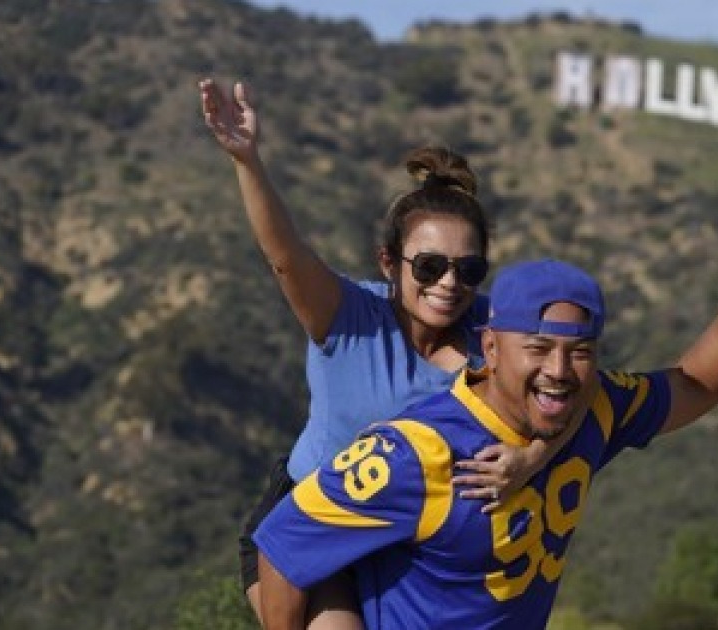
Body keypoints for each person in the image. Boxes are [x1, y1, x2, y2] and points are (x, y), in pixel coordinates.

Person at [254, 198, 718, 629]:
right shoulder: (417, 451)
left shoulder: (597, 405)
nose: (559, 370)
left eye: (579, 351)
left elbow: (694, 386)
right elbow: (282, 547)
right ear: (489, 350)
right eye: (537, 348)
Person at [198, 78, 570, 628]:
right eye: (428, 266)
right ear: (388, 263)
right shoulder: (347, 316)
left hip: (415, 543)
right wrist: (247, 160)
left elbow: (578, 386)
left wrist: (533, 458)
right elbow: (283, 254)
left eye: (468, 270)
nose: (449, 283)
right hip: (309, 530)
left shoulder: (493, 336)